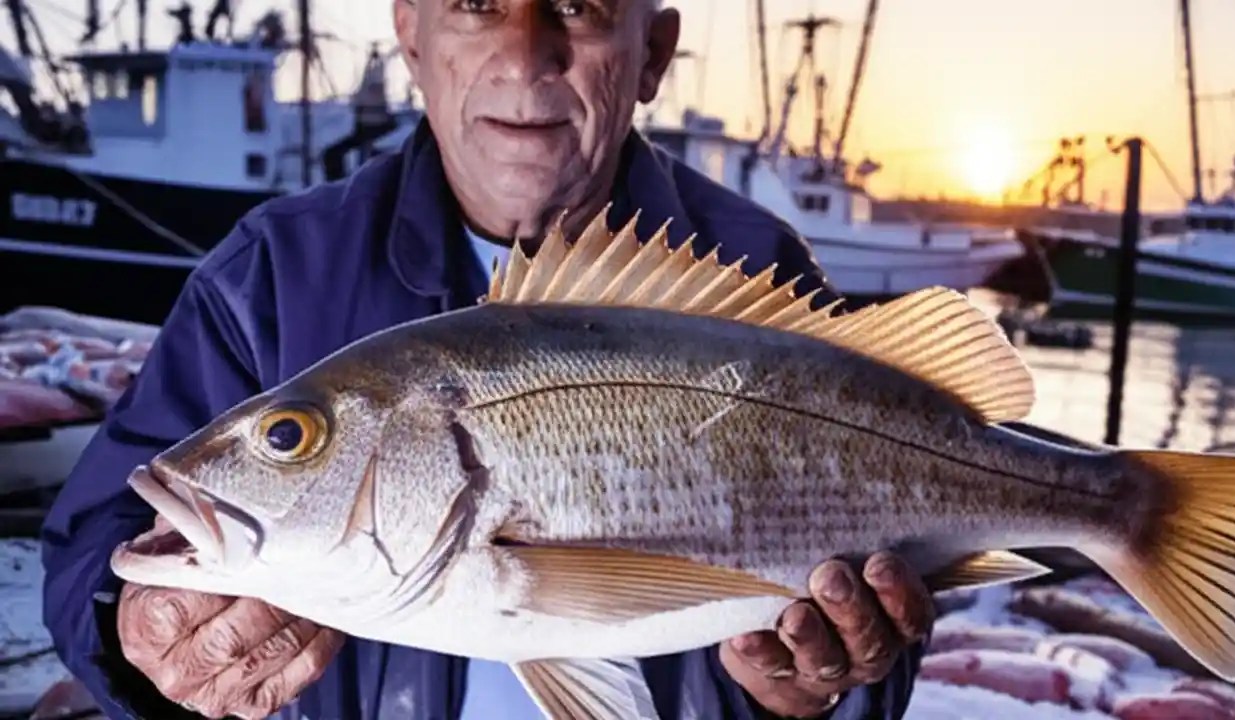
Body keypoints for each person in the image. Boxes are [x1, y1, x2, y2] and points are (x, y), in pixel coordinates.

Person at [40, 1, 935, 718]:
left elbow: (887, 603)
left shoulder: (751, 270)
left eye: (577, 8)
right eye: (475, 3)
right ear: (409, 31)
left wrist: (815, 697)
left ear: (654, 50)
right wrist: (140, 637)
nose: (523, 55)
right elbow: (99, 539)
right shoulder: (267, 275)